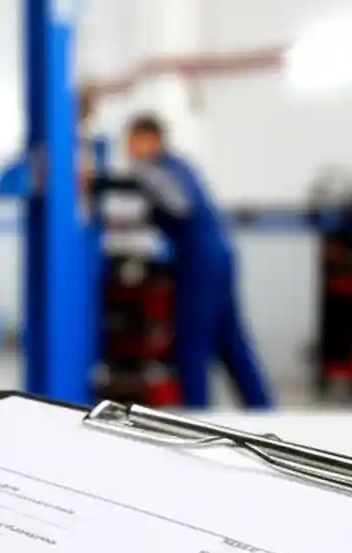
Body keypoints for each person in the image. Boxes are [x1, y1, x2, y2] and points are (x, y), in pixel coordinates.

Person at [103, 114, 273, 409]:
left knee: (192, 342)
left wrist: (107, 181)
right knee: (229, 339)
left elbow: (180, 204)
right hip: (218, 255)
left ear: (151, 139)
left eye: (133, 140)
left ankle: (198, 414)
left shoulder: (161, 168)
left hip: (201, 260)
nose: (129, 149)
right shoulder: (177, 167)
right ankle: (263, 410)